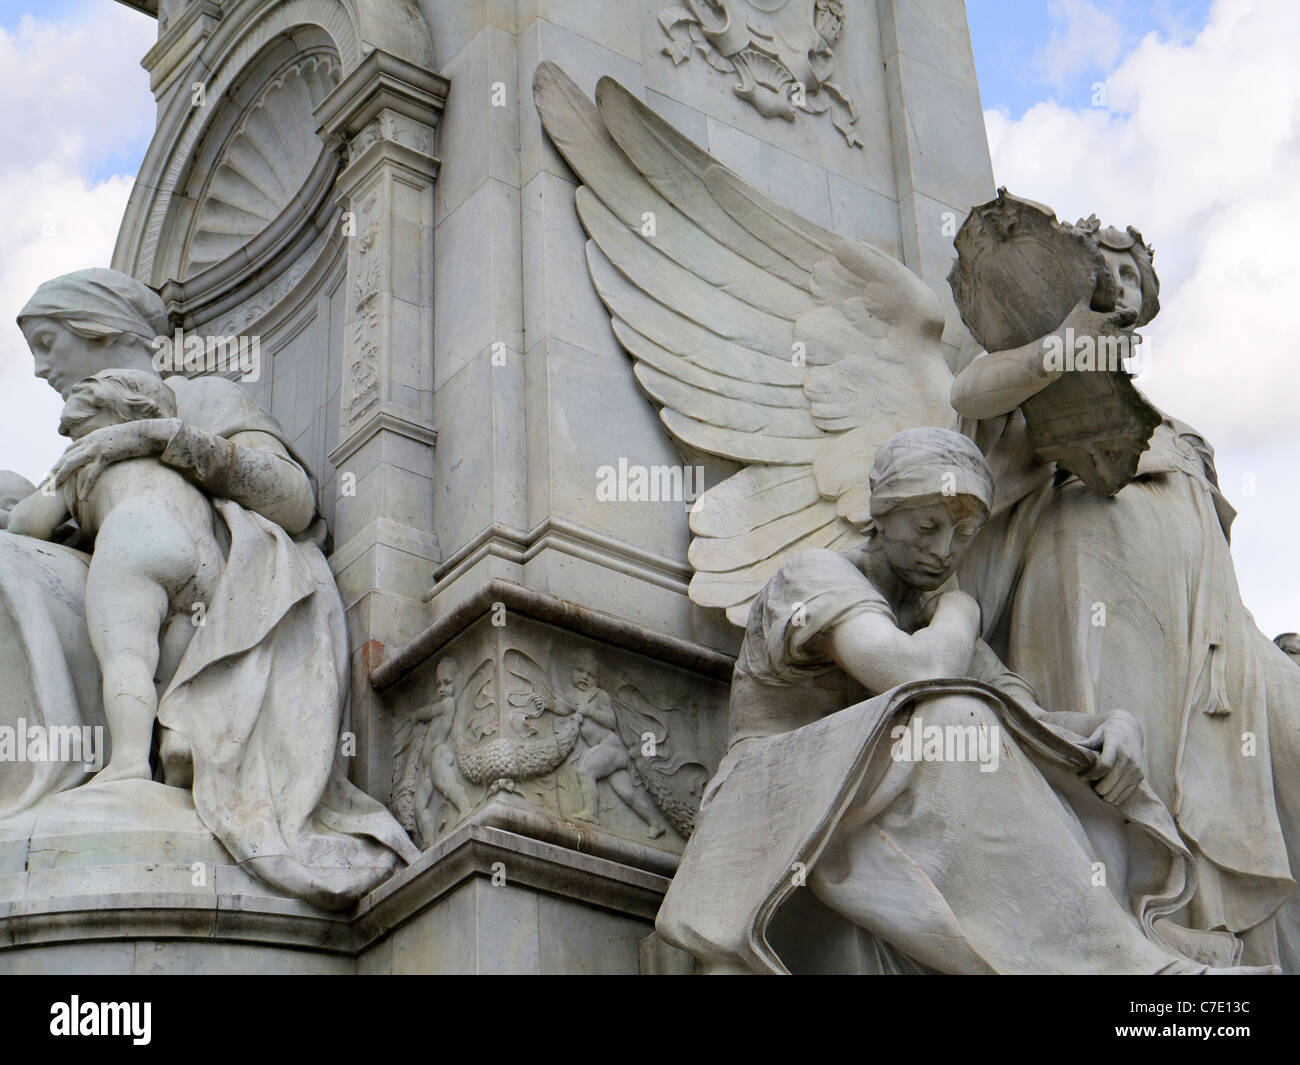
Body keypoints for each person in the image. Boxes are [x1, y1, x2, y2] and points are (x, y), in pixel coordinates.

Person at [657, 427, 1271, 974]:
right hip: (777, 791)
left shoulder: (934, 617)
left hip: (859, 788)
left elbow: (1027, 717)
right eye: (927, 527)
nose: (945, 550)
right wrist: (962, 609)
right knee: (954, 720)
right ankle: (1130, 971)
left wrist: (1112, 726)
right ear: (883, 513)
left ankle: (1113, 948)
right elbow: (917, 674)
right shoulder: (816, 576)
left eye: (965, 533)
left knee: (1059, 767)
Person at [4, 267, 418, 909]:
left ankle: (117, 769)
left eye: (47, 343)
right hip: (133, 572)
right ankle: (39, 785)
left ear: (98, 329)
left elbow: (292, 497)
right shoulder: (93, 441)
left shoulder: (195, 399)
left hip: (219, 593)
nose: (38, 369)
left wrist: (163, 438)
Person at [951, 223, 1300, 968]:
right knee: (1123, 750)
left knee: (1219, 760)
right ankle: (1126, 938)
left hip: (1206, 619)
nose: (1116, 283)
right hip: (1088, 576)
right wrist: (1070, 339)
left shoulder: (1178, 430)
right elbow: (968, 390)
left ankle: (1207, 932)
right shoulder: (1036, 383)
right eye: (1096, 269)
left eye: (1127, 272)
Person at [8, 370, 223, 784]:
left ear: (110, 412)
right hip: (204, 559)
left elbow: (28, 525)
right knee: (173, 677)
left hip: (137, 539)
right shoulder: (172, 463)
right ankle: (174, 745)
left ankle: (128, 764)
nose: (66, 435)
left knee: (128, 657)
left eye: (73, 426)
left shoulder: (84, 458)